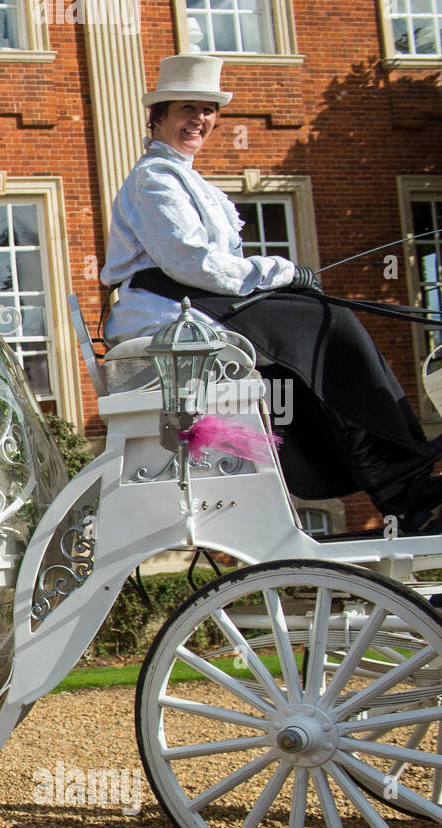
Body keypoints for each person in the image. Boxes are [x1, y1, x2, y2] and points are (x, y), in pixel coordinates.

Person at [101, 54, 442, 531]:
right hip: (169, 314)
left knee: (322, 320)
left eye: (208, 110)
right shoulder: (153, 179)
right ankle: (399, 482)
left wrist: (281, 280)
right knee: (325, 325)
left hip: (197, 306)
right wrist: (281, 271)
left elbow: (210, 267)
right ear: (157, 117)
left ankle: (398, 482)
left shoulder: (187, 180)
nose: (199, 120)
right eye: (186, 108)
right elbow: (190, 262)